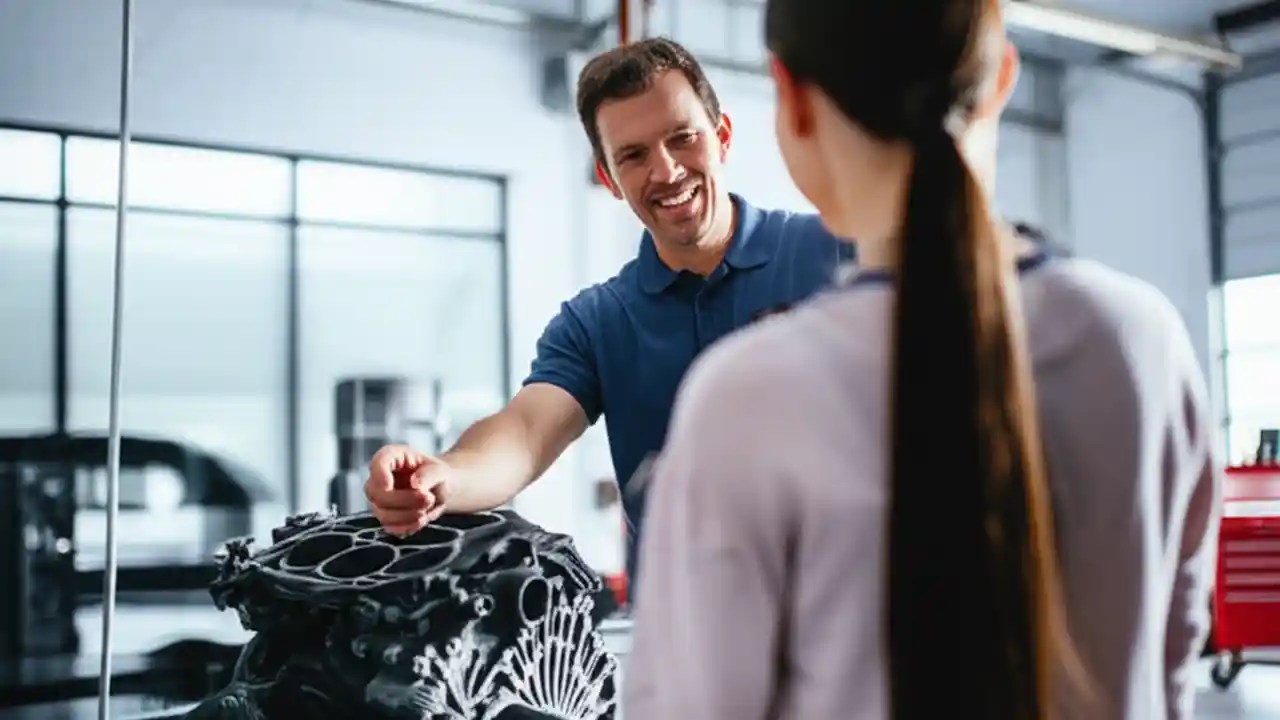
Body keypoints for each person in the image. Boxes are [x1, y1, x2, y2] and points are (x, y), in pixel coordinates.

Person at [623, 1, 1220, 719]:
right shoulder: (1140, 340)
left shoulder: (748, 399)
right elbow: (1170, 667)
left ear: (794, 103)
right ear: (1001, 75)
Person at [362, 38, 849, 578]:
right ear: (608, 178)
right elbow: (524, 433)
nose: (665, 172)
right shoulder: (597, 322)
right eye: (633, 156)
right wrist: (444, 475)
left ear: (722, 137)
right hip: (681, 640)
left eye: (682, 138)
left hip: (848, 623)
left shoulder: (836, 252)